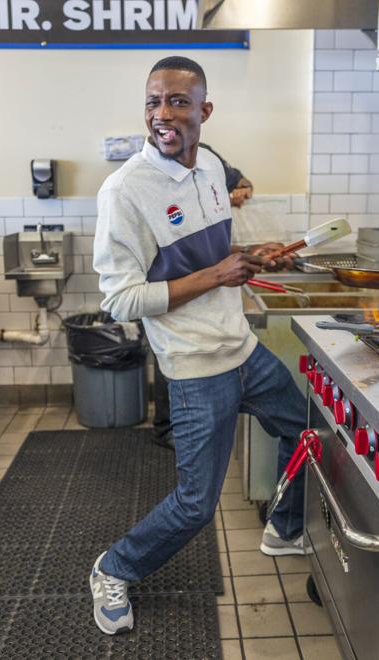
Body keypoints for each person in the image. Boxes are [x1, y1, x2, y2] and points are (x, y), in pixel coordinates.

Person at [90, 56, 309, 635]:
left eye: (178, 102)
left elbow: (212, 250)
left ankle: (283, 526)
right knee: (194, 506)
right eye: (153, 102)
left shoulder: (210, 167)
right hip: (194, 369)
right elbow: (121, 301)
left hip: (243, 351)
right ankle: (113, 568)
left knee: (308, 429)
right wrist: (217, 276)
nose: (163, 115)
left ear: (204, 111)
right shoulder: (124, 192)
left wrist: (252, 258)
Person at [148, 143, 259, 448]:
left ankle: (187, 427)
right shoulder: (149, 178)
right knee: (168, 356)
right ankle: (166, 428)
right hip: (170, 280)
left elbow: (242, 182)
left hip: (203, 278)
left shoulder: (209, 160)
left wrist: (240, 190)